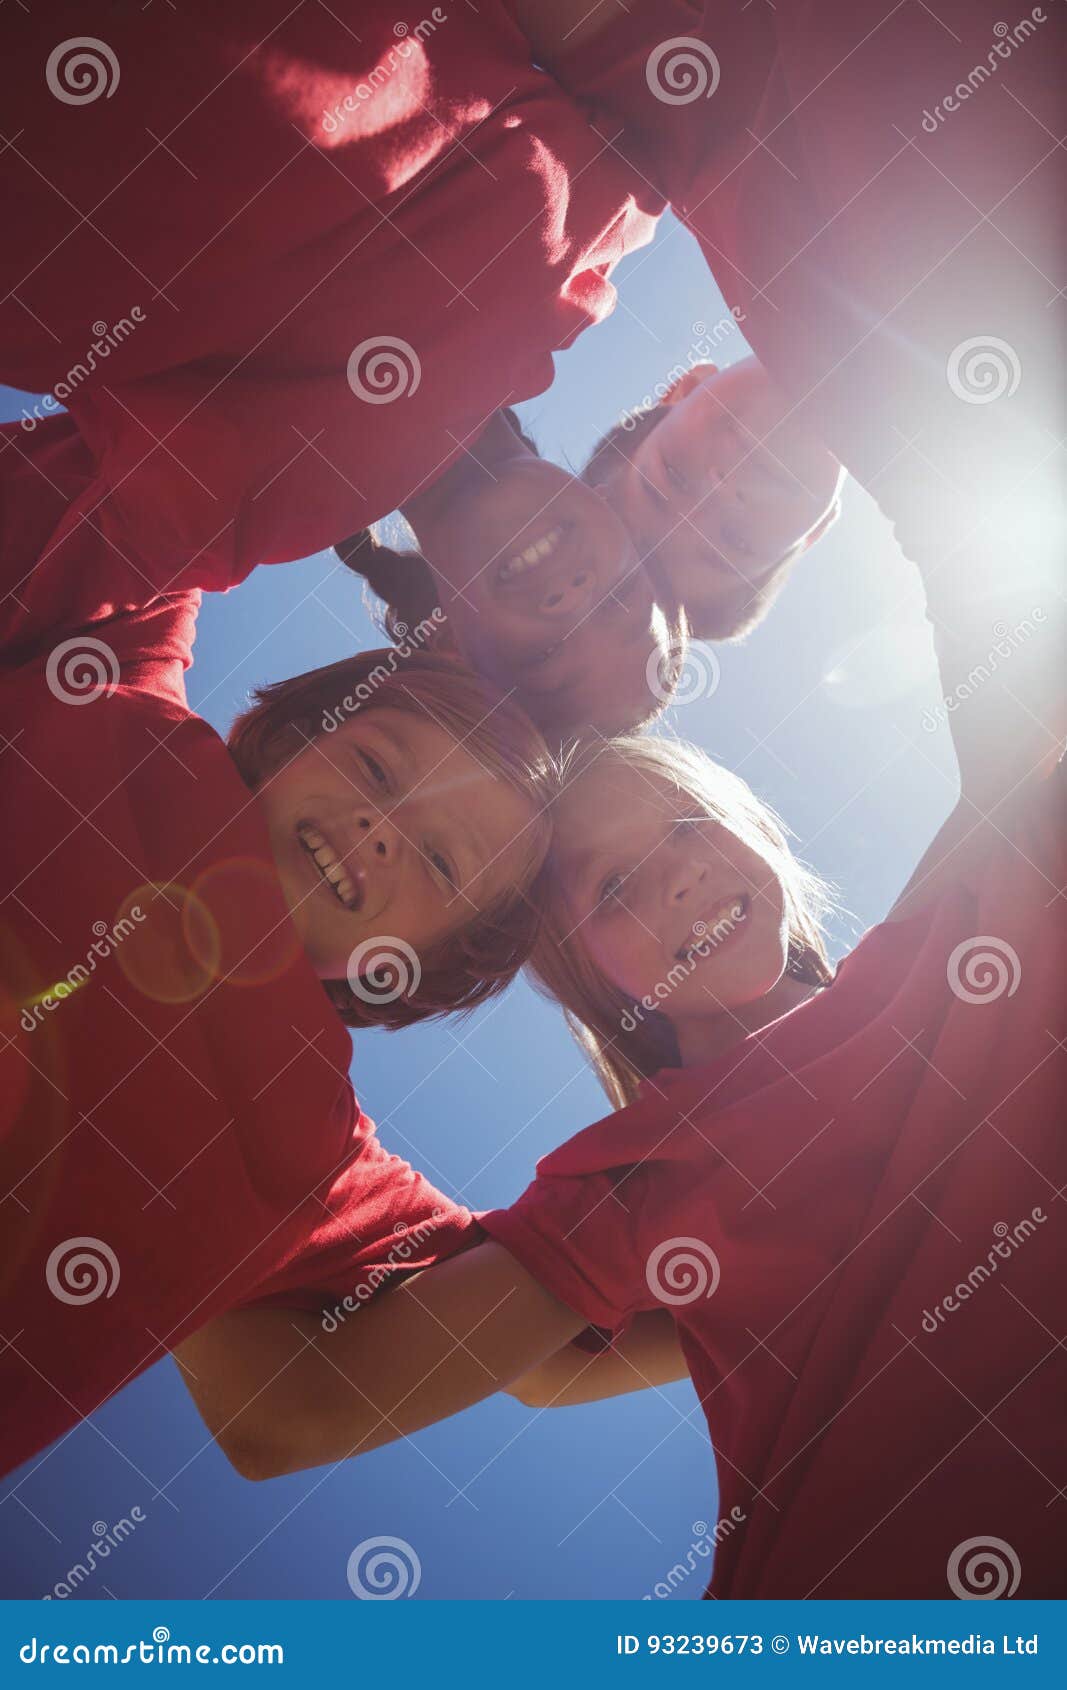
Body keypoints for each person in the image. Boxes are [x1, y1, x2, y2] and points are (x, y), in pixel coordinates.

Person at [172, 533, 1064, 1599]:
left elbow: (994, 597)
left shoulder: (974, 913)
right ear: (599, 988)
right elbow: (290, 1406)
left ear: (759, 836)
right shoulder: (649, 1180)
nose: (678, 877)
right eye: (612, 890)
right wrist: (153, 1072)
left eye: (688, 825)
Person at [0, 418, 557, 1477]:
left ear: (418, 965)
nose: (381, 828)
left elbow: (578, 1286)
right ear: (300, 727)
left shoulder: (317, 1167)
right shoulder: (107, 675)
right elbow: (190, 444)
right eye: (379, 768)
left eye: (441, 866)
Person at [336, 363, 843, 733]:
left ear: (453, 643)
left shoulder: (286, 483)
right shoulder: (551, 290)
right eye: (622, 593)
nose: (721, 487)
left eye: (549, 651)